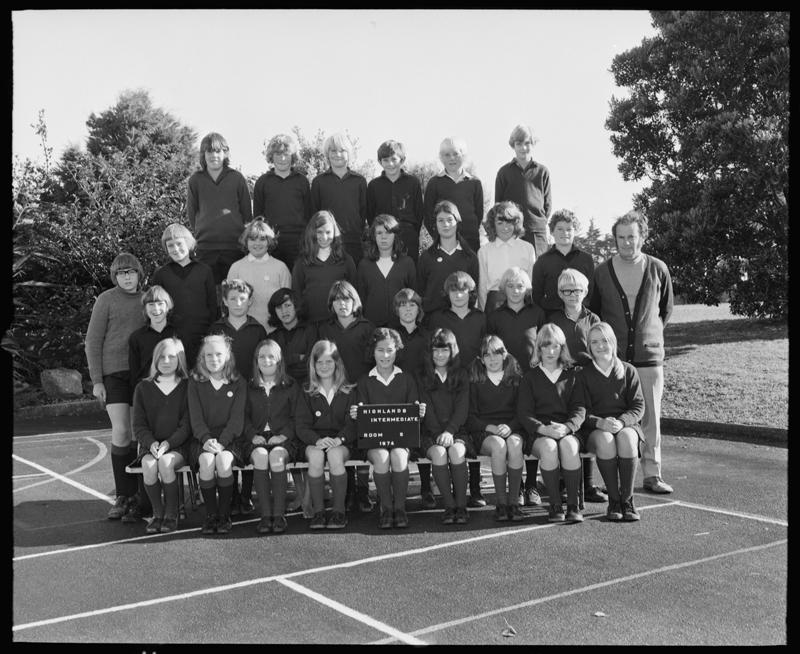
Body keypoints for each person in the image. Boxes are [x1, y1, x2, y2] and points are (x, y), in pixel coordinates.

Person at [589, 210, 674, 494]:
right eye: (621, 238)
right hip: (614, 361)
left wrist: (648, 336)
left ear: (643, 237)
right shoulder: (602, 272)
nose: (627, 243)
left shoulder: (658, 268)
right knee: (613, 416)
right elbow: (597, 313)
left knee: (651, 417)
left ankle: (652, 473)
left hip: (649, 357)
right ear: (615, 239)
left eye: (632, 237)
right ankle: (611, 476)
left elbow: (665, 310)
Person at [84, 252, 146, 521]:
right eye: (121, 273)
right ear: (115, 276)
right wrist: (97, 380)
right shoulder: (106, 300)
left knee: (138, 433)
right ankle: (123, 495)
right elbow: (92, 342)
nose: (127, 277)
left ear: (139, 274)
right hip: (114, 374)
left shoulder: (148, 299)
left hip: (142, 374)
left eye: (131, 272)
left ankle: (139, 495)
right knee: (121, 431)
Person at [350, 327, 426, 529]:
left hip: (402, 440)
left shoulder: (407, 378)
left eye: (390, 350)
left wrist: (419, 413)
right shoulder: (365, 381)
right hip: (375, 441)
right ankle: (385, 507)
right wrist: (357, 414)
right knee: (383, 458)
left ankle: (399, 508)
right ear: (372, 352)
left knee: (399, 457)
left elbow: (413, 414)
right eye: (380, 350)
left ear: (397, 351)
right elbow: (362, 417)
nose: (385, 355)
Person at [486, 266, 546, 507]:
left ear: (526, 288)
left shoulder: (537, 313)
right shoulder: (495, 316)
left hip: (532, 380)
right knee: (513, 433)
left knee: (530, 431)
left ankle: (531, 484)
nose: (515, 290)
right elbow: (489, 348)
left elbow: (546, 342)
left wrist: (539, 357)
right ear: (504, 289)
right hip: (507, 381)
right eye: (510, 286)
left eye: (520, 286)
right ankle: (517, 486)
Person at [427, 270, 487, 508]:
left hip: (474, 380)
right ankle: (435, 487)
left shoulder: (480, 317)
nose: (459, 295)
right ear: (447, 293)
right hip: (447, 381)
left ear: (470, 293)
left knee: (470, 432)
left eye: (463, 290)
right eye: (454, 290)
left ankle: (475, 488)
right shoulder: (438, 318)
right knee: (448, 431)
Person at [208, 278, 268, 516]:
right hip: (226, 391)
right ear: (224, 301)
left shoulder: (258, 329)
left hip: (251, 390)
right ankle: (231, 494)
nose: (237, 302)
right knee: (230, 441)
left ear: (250, 301)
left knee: (248, 438)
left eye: (242, 298)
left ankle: (246, 496)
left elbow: (262, 360)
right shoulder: (216, 329)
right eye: (232, 298)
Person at [547, 268, 606, 504]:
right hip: (561, 379)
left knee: (584, 428)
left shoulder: (593, 319)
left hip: (587, 378)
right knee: (565, 427)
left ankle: (588, 484)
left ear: (585, 291)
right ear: (560, 293)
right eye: (567, 290)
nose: (573, 294)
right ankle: (564, 481)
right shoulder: (552, 319)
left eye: (577, 290)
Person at [517, 323, 587, 523]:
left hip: (566, 430)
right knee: (548, 447)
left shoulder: (572, 375)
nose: (550, 351)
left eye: (555, 346)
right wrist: (543, 429)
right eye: (545, 346)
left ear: (562, 348)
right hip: (539, 433)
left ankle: (573, 504)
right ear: (538, 348)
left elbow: (579, 408)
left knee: (570, 445)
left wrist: (567, 427)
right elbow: (524, 412)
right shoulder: (529, 377)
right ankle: (555, 504)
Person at [316, 280, 375, 513]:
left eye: (347, 299)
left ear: (355, 301)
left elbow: (374, 360)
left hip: (361, 390)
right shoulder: (325, 329)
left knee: (362, 439)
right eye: (337, 300)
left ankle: (362, 491)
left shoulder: (367, 327)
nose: (343, 304)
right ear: (332, 304)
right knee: (343, 438)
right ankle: (347, 491)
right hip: (336, 391)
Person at [579, 322, 646, 521]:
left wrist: (623, 422)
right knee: (606, 440)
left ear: (613, 342)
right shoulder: (583, 375)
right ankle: (614, 501)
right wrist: (600, 423)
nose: (600, 346)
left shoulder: (628, 371)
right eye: (594, 342)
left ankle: (628, 500)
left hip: (625, 425)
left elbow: (638, 406)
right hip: (596, 429)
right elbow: (580, 410)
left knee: (626, 438)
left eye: (605, 341)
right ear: (589, 347)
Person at [187, 334, 247, 535]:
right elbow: (195, 418)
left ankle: (224, 514)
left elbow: (237, 420)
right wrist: (205, 439)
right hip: (202, 440)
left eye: (219, 354)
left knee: (223, 462)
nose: (214, 359)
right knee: (206, 462)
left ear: (228, 356)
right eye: (209, 355)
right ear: (202, 358)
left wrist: (222, 443)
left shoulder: (238, 382)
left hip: (230, 440)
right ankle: (211, 515)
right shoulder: (195, 382)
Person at [131, 337, 192, 534]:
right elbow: (139, 426)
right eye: (162, 357)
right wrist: (151, 444)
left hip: (178, 445)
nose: (166, 361)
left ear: (180, 359)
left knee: (166, 464)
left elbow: (187, 425)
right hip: (151, 446)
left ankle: (171, 514)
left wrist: (168, 443)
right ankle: (158, 514)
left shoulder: (187, 386)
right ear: (155, 360)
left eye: (172, 357)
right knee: (149, 465)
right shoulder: (143, 388)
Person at [294, 340, 357, 530]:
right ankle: (319, 512)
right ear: (313, 365)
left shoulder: (349, 390)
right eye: (319, 362)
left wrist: (340, 439)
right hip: (316, 441)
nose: (324, 366)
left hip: (342, 441)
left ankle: (339, 512)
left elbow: (353, 423)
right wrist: (317, 441)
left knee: (335, 454)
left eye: (329, 362)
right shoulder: (306, 391)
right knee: (316, 455)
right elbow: (301, 425)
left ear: (337, 363)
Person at [239, 339, 300, 534]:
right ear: (256, 361)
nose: (266, 361)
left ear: (279, 360)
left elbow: (297, 417)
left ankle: (279, 514)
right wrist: (252, 435)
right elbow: (243, 417)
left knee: (276, 456)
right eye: (262, 357)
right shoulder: (248, 387)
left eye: (271, 356)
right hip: (256, 438)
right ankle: (266, 515)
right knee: (261, 456)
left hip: (284, 438)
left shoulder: (290, 385)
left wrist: (283, 436)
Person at [266, 287, 318, 514]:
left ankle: (309, 500)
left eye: (288, 305)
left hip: (310, 395)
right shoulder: (272, 337)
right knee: (293, 448)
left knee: (307, 446)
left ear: (296, 306)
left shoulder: (311, 330)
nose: (284, 311)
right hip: (283, 397)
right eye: (279, 307)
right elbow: (276, 369)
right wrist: (297, 359)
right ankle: (300, 495)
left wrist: (292, 361)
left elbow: (313, 363)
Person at [465, 334, 525, 522]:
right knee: (499, 446)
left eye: (496, 354)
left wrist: (510, 426)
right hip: (485, 432)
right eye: (487, 355)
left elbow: (523, 413)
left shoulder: (515, 378)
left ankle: (514, 503)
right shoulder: (475, 380)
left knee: (514, 444)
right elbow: (470, 417)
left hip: (512, 429)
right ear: (481, 359)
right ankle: (501, 504)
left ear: (504, 355)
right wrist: (490, 427)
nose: (492, 359)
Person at [417, 328, 471, 524]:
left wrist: (450, 431)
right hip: (431, 433)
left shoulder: (461, 374)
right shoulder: (422, 376)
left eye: (444, 350)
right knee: (439, 453)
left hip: (457, 430)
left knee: (457, 452)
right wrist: (440, 433)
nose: (440, 355)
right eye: (436, 350)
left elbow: (462, 408)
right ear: (430, 352)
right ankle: (449, 506)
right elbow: (427, 409)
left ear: (452, 351)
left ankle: (461, 506)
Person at [186, 132, 253, 286]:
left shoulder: (236, 178)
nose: (214, 155)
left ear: (225, 153)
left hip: (234, 247)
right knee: (208, 293)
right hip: (205, 248)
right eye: (209, 151)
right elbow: (192, 213)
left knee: (235, 290)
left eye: (218, 151)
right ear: (204, 154)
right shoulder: (195, 180)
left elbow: (247, 213)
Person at [151, 223, 218, 369]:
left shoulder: (204, 270)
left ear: (188, 243)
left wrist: (211, 335)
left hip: (201, 335)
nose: (176, 249)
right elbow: (155, 307)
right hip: (172, 338)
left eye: (179, 244)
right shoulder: (161, 274)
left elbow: (213, 305)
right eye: (171, 246)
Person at [391, 288, 434, 509]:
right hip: (397, 393)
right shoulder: (390, 335)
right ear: (396, 309)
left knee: (423, 435)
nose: (408, 309)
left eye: (412, 305)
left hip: (423, 391)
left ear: (419, 309)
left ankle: (426, 487)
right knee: (399, 440)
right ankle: (395, 488)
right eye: (403, 305)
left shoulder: (428, 335)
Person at [252, 132, 312, 271]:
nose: (283, 158)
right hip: (272, 243)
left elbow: (309, 214)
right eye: (278, 154)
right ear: (271, 156)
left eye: (287, 154)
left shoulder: (302, 181)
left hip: (298, 243)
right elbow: (258, 218)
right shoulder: (262, 182)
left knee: (296, 283)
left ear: (293, 156)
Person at [310, 132, 368, 263]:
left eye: (342, 150)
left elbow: (364, 212)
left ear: (349, 154)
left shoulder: (359, 181)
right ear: (327, 154)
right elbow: (314, 213)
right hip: (327, 242)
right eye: (333, 150)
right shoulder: (319, 182)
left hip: (353, 242)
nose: (338, 154)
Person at [494, 124, 551, 256]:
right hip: (511, 231)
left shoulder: (542, 171)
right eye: (519, 144)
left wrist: (537, 221)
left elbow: (547, 206)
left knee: (537, 271)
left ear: (533, 144)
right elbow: (498, 205)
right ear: (513, 145)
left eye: (527, 143)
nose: (523, 148)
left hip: (537, 232)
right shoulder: (504, 172)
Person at [291, 210, 357, 325]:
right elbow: (296, 294)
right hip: (310, 325)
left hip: (339, 325)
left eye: (328, 232)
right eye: (319, 232)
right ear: (312, 233)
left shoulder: (346, 260)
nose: (324, 237)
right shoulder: (302, 262)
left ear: (335, 233)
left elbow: (355, 294)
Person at [226, 217, 292, 332]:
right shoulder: (236, 268)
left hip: (275, 332)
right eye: (252, 239)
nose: (257, 243)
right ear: (246, 241)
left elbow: (287, 304)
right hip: (244, 332)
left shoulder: (281, 268)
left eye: (262, 239)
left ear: (269, 242)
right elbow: (228, 304)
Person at [416, 200, 479, 317]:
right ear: (435, 224)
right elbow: (420, 291)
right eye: (441, 220)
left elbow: (475, 293)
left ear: (457, 222)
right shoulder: (426, 257)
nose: (445, 224)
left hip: (462, 321)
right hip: (433, 322)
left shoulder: (470, 257)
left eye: (450, 220)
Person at [423, 136, 484, 254]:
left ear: (464, 156)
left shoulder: (474, 183)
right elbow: (428, 216)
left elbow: (479, 214)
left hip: (470, 243)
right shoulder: (434, 183)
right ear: (441, 158)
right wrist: (439, 237)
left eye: (456, 154)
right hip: (443, 244)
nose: (452, 158)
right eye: (447, 155)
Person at [366, 139, 425, 262]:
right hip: (383, 237)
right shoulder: (373, 185)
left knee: (410, 273)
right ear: (380, 162)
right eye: (385, 160)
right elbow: (370, 215)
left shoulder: (413, 183)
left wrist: (413, 234)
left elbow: (419, 213)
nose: (390, 164)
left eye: (394, 159)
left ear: (402, 160)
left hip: (408, 238)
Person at [357, 213, 416, 328]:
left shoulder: (407, 263)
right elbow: (360, 300)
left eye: (388, 232)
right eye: (379, 233)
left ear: (395, 235)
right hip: (372, 328)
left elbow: (415, 297)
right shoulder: (364, 265)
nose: (384, 237)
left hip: (402, 328)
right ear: (374, 236)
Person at [531, 209, 595, 313]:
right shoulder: (542, 261)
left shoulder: (586, 259)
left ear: (575, 231)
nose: (565, 233)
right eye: (560, 229)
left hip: (579, 318)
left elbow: (591, 293)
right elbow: (537, 296)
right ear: (552, 231)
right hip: (551, 319)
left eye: (569, 229)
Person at [477, 201, 536, 313]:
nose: (505, 228)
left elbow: (532, 282)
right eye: (500, 223)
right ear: (492, 224)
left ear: (516, 223)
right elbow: (482, 287)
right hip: (494, 305)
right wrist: (483, 313)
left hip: (522, 303)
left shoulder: (528, 248)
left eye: (509, 223)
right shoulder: (484, 251)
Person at [128, 285, 178, 399]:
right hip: (148, 394)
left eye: (160, 304)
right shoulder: (136, 338)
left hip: (176, 391)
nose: (156, 309)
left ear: (168, 306)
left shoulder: (178, 334)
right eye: (151, 304)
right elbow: (135, 373)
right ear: (145, 309)